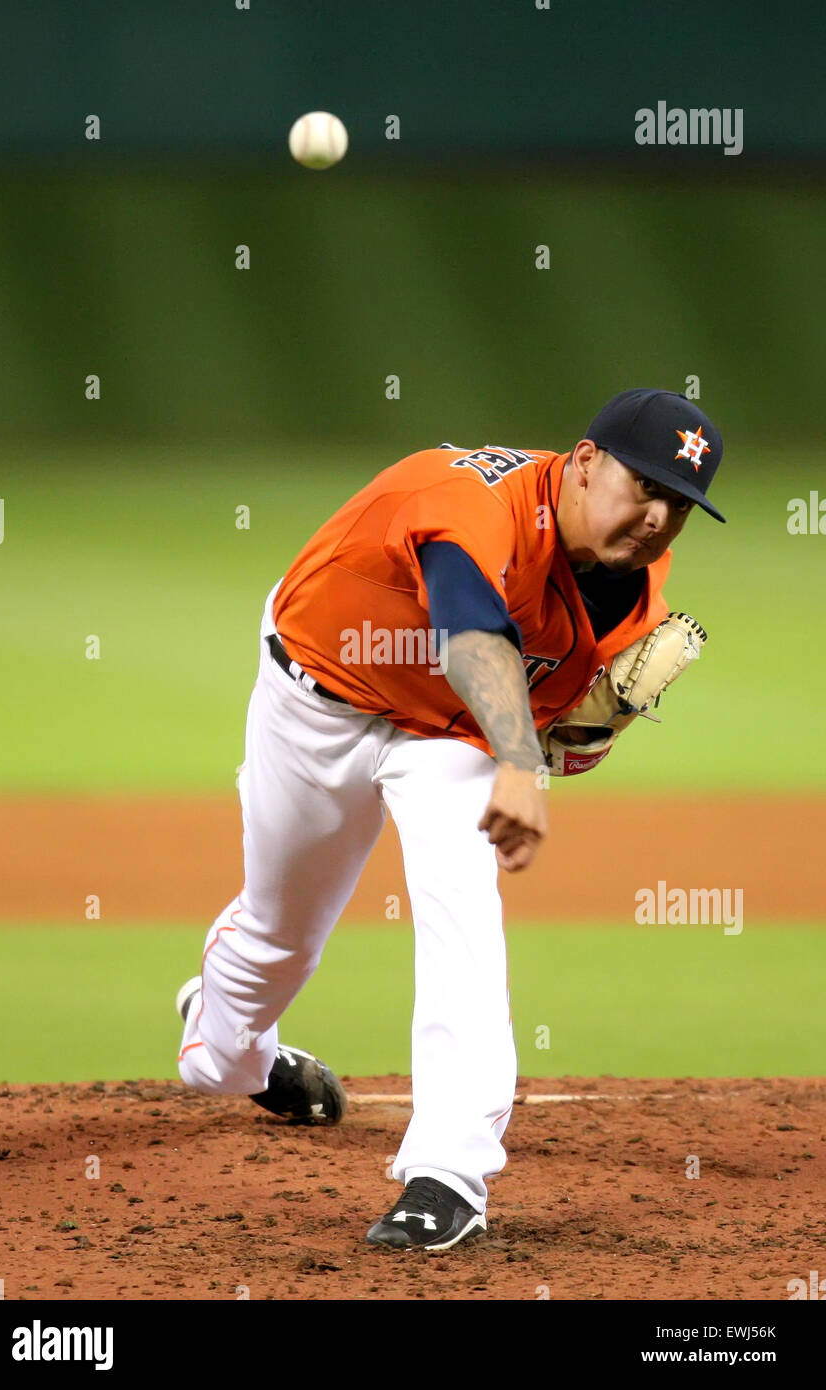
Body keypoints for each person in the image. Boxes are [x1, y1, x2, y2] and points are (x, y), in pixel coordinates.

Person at [175, 387, 725, 1252]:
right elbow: (469, 626)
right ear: (582, 463)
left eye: (679, 504)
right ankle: (232, 1049)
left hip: (451, 735)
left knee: (464, 916)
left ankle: (448, 1174)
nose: (656, 518)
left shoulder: (630, 589)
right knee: (279, 938)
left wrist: (552, 746)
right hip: (317, 696)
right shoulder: (468, 497)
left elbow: (556, 716)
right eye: (642, 485)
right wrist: (519, 759)